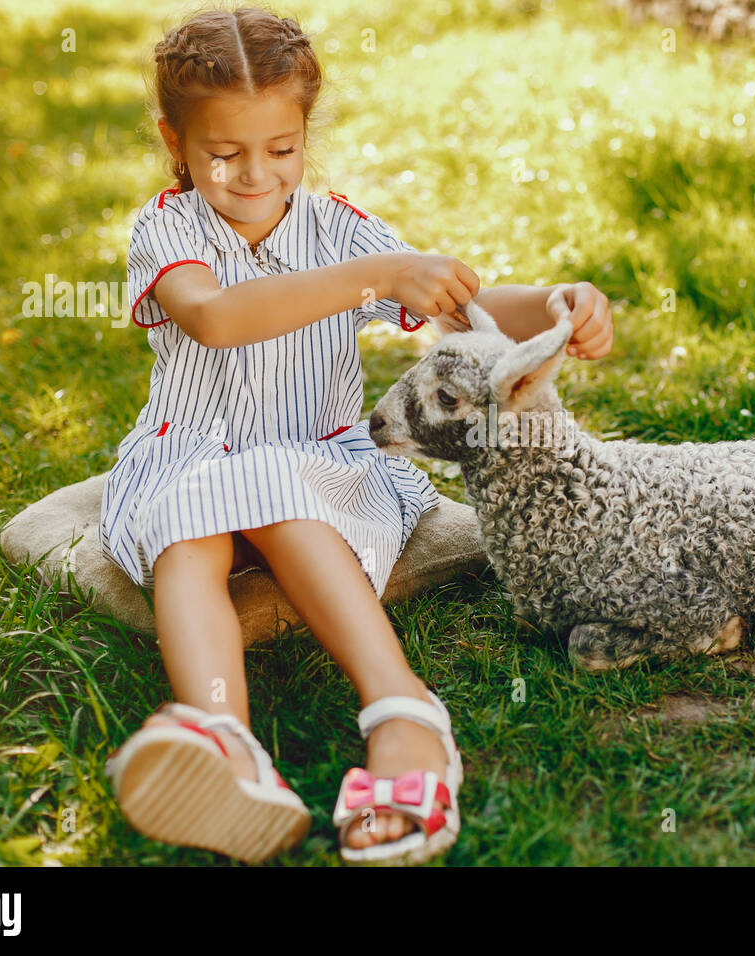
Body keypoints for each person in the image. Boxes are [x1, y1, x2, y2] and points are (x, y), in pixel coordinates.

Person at [98, 5, 614, 864]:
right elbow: (219, 317)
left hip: (320, 468)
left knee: (277, 497)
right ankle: (224, 743)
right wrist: (375, 276)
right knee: (191, 539)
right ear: (174, 139)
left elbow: (456, 301)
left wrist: (559, 300)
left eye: (281, 149)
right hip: (185, 460)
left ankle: (404, 715)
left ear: (304, 134)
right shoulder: (168, 228)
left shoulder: (337, 227)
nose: (256, 175)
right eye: (224, 154)